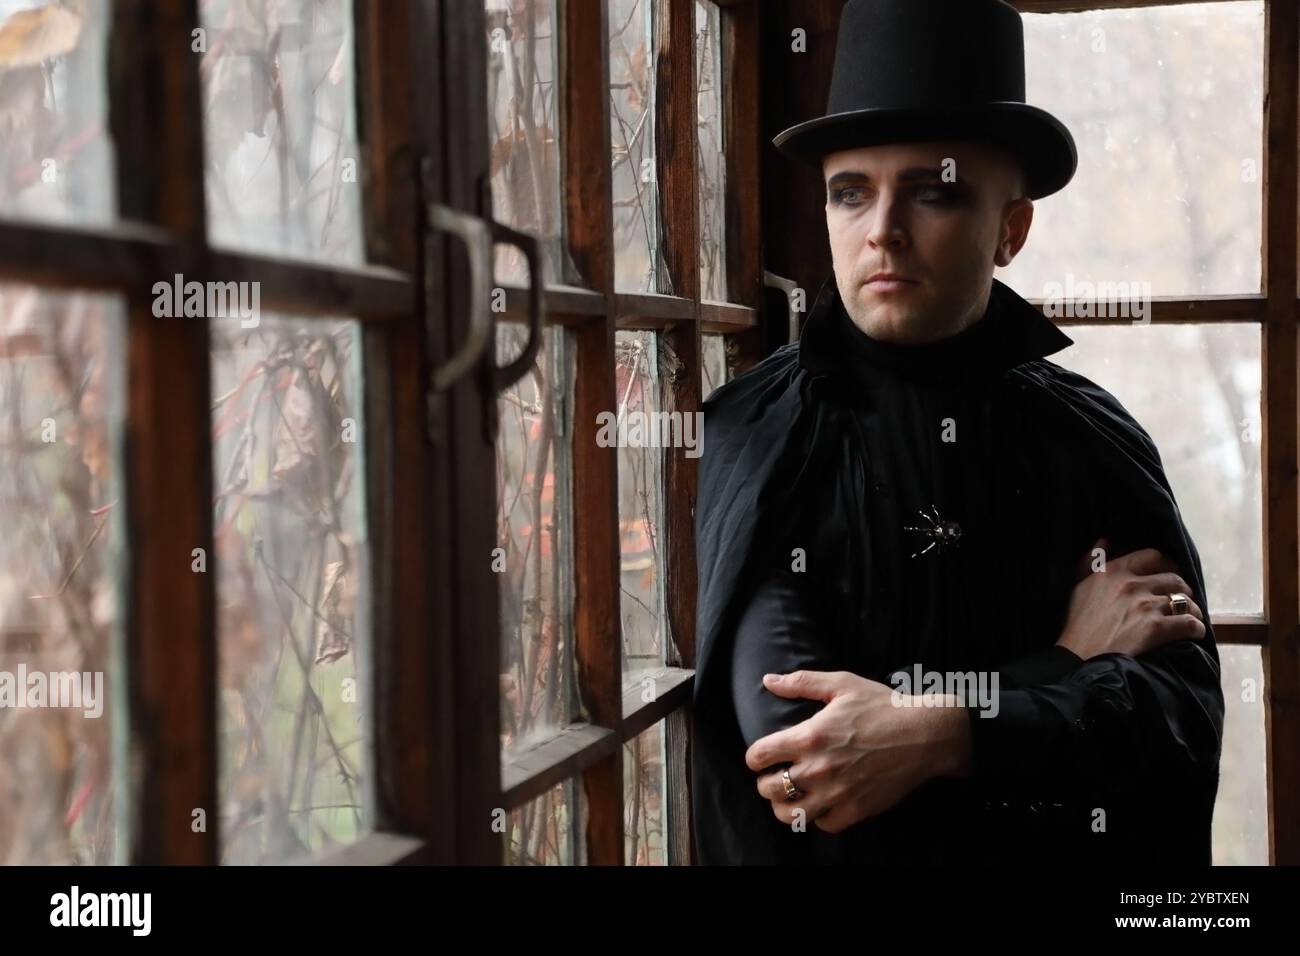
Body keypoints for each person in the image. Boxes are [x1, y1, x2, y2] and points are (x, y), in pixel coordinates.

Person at [691, 0, 1224, 865]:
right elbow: (809, 756)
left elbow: (1175, 727)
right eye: (851, 191)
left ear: (1010, 229)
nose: (882, 231)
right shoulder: (762, 436)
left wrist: (925, 734)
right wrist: (1056, 670)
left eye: (933, 189)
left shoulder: (1095, 443)